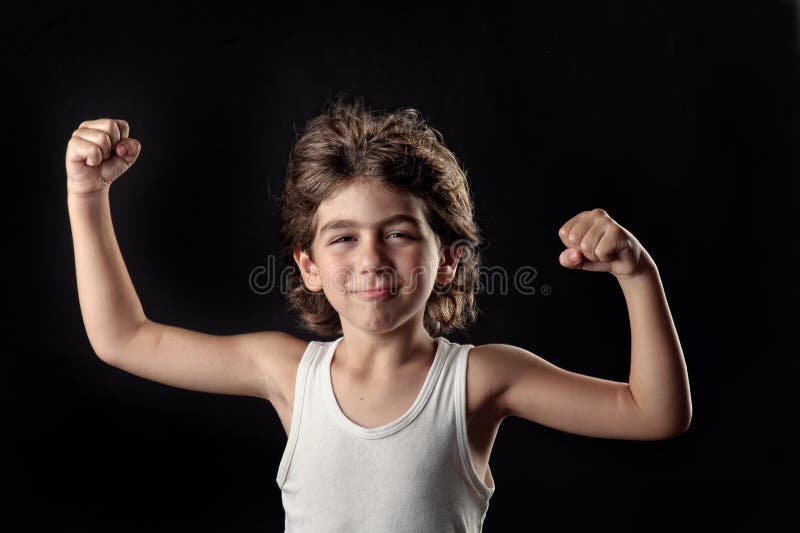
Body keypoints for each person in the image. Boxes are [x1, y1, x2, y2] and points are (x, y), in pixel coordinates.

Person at [66, 95, 692, 532]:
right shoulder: (286, 372)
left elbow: (653, 413)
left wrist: (638, 275)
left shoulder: (479, 380)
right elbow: (123, 337)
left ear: (446, 260)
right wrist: (87, 194)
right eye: (342, 238)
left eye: (397, 233)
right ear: (308, 266)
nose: (371, 258)